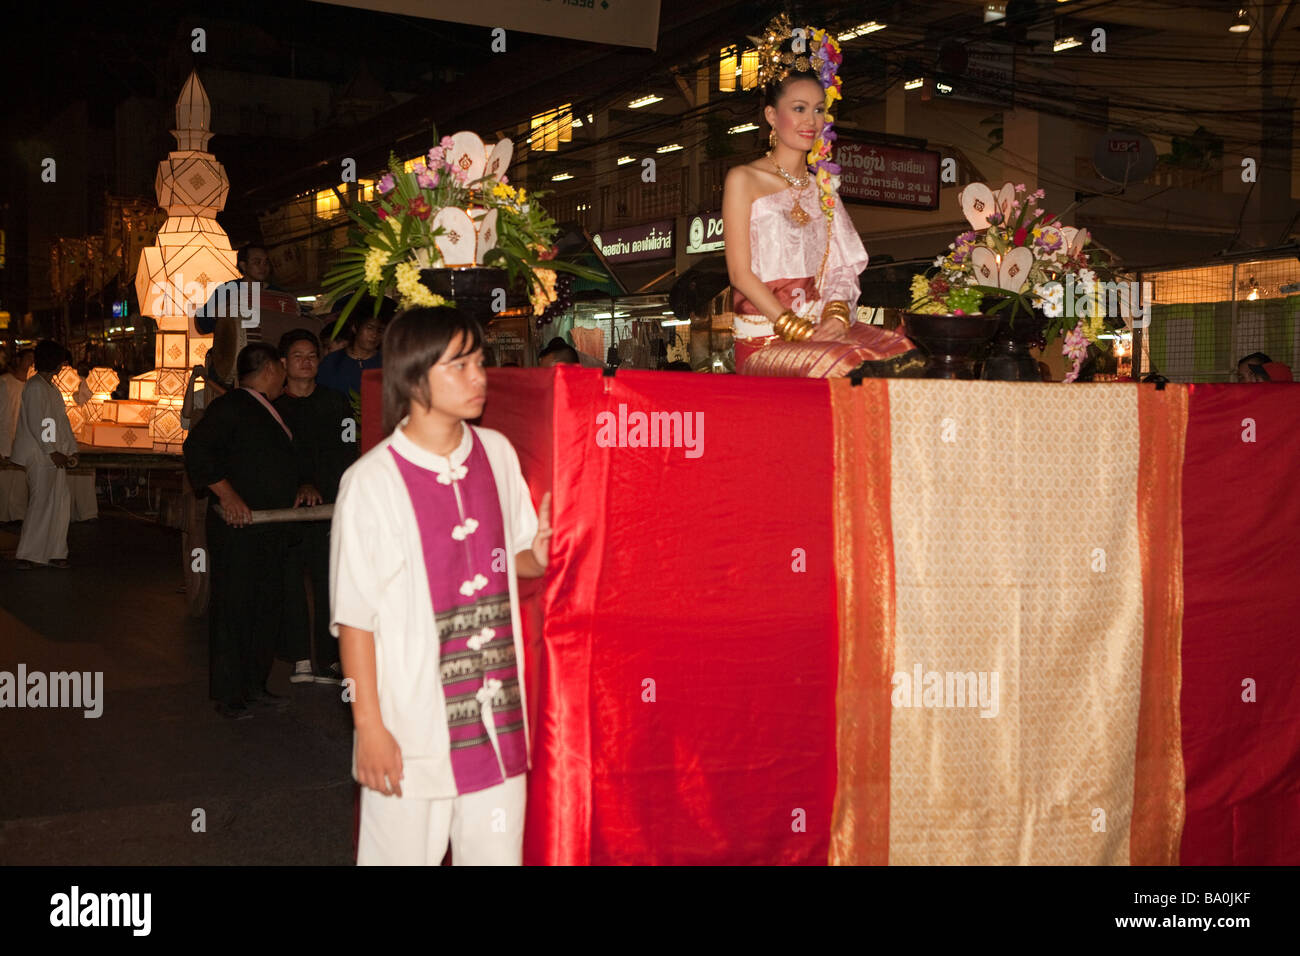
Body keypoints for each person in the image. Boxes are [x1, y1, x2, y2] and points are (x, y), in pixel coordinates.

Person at [330, 305, 552, 865]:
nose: (479, 377)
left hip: (496, 719)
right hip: (411, 725)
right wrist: (369, 728)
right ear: (414, 375)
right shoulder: (370, 482)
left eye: (480, 361)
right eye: (459, 365)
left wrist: (540, 556)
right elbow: (356, 618)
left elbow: (516, 556)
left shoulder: (498, 454)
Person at [723, 16, 920, 377]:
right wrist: (796, 328)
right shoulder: (744, 179)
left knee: (902, 355)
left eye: (818, 109)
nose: (810, 120)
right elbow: (740, 273)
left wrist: (835, 315)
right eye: (798, 108)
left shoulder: (823, 188)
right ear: (771, 115)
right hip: (767, 335)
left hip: (821, 333)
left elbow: (842, 267)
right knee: (847, 367)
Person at [184, 342, 317, 719]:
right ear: (272, 368)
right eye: (283, 367)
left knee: (266, 609)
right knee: (235, 609)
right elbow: (197, 450)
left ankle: (255, 684)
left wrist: (302, 485)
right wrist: (228, 496)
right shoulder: (230, 407)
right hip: (239, 530)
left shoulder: (272, 410)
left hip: (270, 530)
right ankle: (230, 695)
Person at [275, 329, 358, 685]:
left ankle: (329, 659)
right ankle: (300, 659)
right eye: (298, 356)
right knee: (289, 580)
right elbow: (270, 459)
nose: (307, 362)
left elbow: (347, 451)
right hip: (286, 506)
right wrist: (298, 486)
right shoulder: (274, 406)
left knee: (331, 581)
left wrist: (325, 489)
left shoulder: (337, 403)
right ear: (283, 363)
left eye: (312, 355)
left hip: (329, 505)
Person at [10, 341, 79, 568]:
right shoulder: (36, 387)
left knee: (59, 503)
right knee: (41, 503)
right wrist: (52, 451)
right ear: (55, 362)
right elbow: (40, 423)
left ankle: (55, 551)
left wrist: (70, 450)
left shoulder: (49, 387)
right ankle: (27, 555)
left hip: (53, 454)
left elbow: (60, 422)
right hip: (41, 456)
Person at [317, 300, 394, 400]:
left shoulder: (388, 363)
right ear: (355, 328)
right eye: (370, 328)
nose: (374, 335)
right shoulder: (332, 362)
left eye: (380, 330)